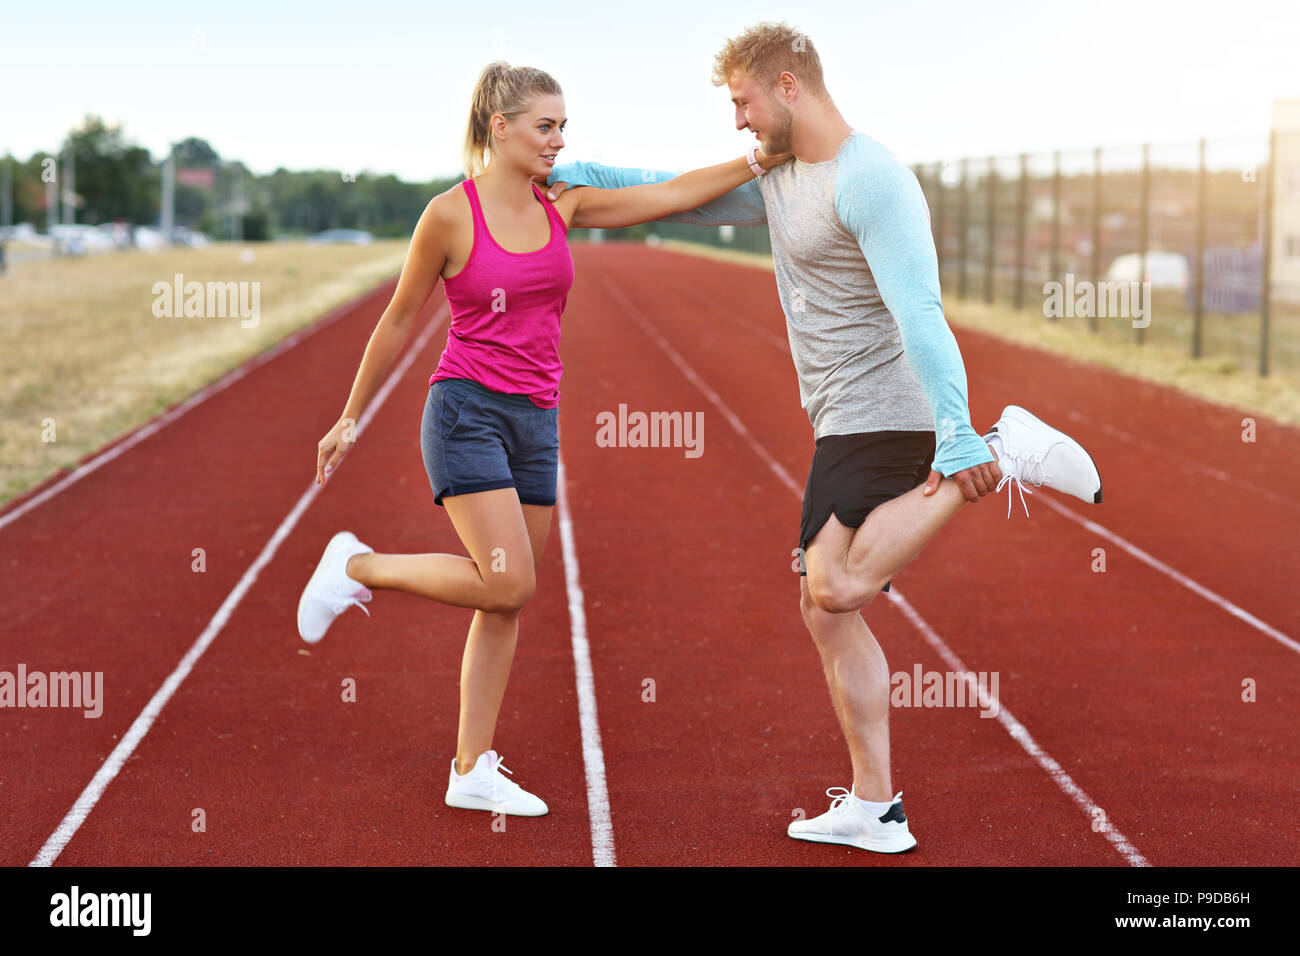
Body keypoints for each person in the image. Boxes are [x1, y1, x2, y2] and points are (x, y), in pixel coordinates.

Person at [543, 22, 1102, 853]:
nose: (736, 120)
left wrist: (956, 434)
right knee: (822, 607)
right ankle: (875, 808)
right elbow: (677, 192)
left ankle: (1002, 444)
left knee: (834, 587)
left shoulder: (872, 180)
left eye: (742, 101)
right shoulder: (783, 176)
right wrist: (573, 178)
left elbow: (920, 310)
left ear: (787, 86)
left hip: (884, 411)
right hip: (842, 416)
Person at [296, 61, 791, 819]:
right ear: (501, 128)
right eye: (546, 126)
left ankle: (470, 768)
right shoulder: (449, 216)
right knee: (509, 582)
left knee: (503, 604)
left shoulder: (563, 206)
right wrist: (346, 416)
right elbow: (399, 316)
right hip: (465, 412)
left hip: (536, 421)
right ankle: (357, 564)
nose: (561, 140)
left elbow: (671, 194)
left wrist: (757, 159)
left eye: (564, 126)